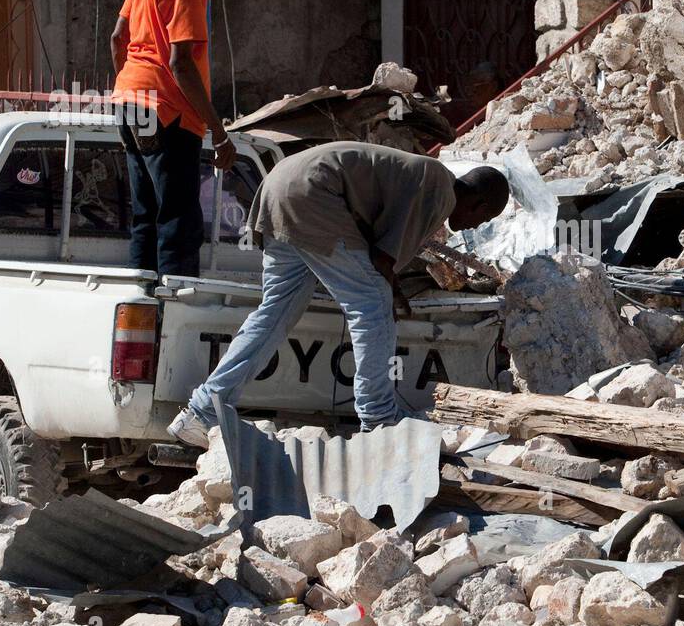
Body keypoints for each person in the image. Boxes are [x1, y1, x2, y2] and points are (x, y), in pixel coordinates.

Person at [167, 141, 510, 442]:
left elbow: (376, 252)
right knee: (373, 309)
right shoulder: (440, 188)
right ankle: (378, 420)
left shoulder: (423, 176)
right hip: (313, 196)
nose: (477, 225)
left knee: (274, 315)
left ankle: (201, 412)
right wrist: (387, 294)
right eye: (484, 217)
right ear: (478, 202)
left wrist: (388, 287)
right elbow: (381, 258)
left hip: (278, 188)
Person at [110, 0, 238, 278]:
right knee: (180, 225)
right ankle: (172, 323)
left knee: (147, 217)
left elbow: (118, 38)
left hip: (132, 102)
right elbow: (181, 62)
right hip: (169, 112)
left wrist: (134, 89)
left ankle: (139, 314)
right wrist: (218, 130)